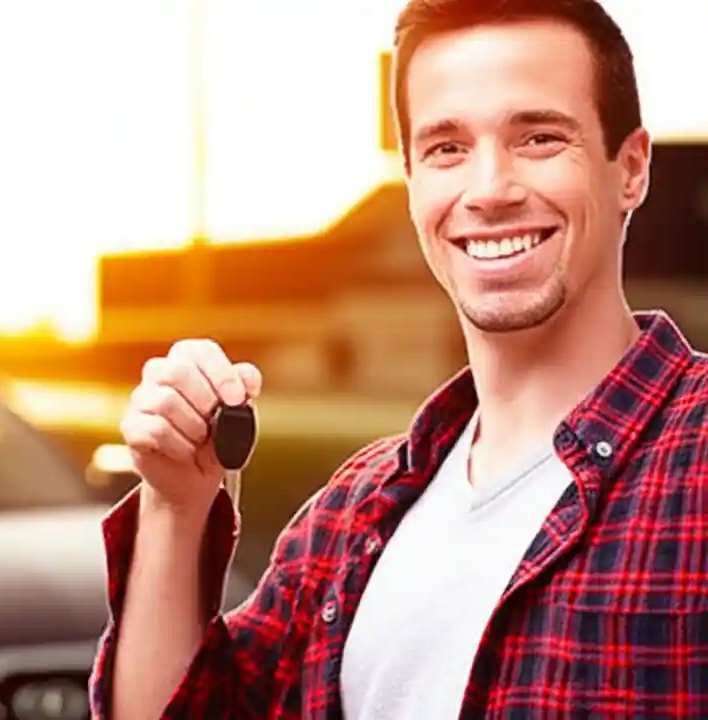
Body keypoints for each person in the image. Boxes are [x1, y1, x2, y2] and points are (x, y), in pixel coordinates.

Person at [87, 0, 708, 718]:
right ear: (413, 184)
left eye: (538, 137)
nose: (489, 190)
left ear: (630, 169)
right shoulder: (351, 515)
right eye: (447, 149)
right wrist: (175, 504)